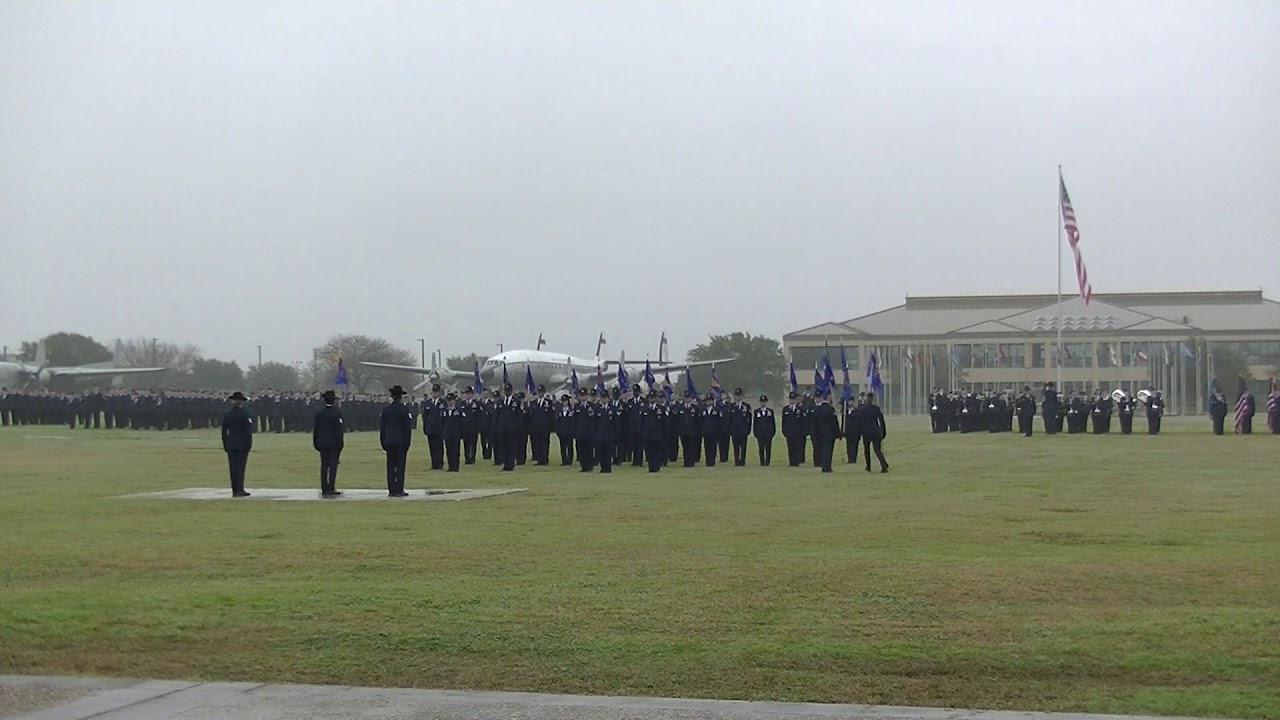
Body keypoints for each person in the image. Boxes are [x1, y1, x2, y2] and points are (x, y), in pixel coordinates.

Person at [379, 385, 413, 496]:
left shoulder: (386, 410)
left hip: (389, 440)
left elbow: (382, 427)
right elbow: (407, 428)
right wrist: (407, 442)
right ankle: (399, 488)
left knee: (390, 465)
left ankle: (391, 489)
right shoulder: (404, 410)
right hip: (400, 441)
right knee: (399, 466)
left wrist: (383, 441)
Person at [221, 391, 254, 497]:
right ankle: (239, 489)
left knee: (232, 467)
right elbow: (248, 432)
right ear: (241, 402)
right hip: (242, 444)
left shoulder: (227, 414)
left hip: (231, 444)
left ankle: (235, 489)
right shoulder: (245, 414)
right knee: (240, 467)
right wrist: (249, 445)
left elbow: (224, 431)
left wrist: (225, 444)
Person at [312, 390, 344, 497]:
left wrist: (316, 442)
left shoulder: (319, 413)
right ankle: (331, 487)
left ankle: (324, 487)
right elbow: (339, 430)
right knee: (333, 466)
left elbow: (316, 430)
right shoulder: (337, 413)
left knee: (324, 465)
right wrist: (340, 443)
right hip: (334, 443)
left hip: (322, 443)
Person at [858, 392, 889, 473]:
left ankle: (868, 466)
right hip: (875, 431)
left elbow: (859, 421)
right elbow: (881, 421)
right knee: (877, 450)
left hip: (866, 432)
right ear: (872, 399)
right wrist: (883, 432)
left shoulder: (862, 409)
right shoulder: (876, 409)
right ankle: (883, 466)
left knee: (866, 450)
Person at [809, 391, 839, 473]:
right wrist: (838, 433)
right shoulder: (830, 409)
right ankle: (827, 467)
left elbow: (814, 423)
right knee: (828, 450)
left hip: (819, 433)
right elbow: (834, 422)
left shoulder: (817, 409)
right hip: (829, 433)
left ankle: (822, 464)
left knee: (822, 449)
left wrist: (814, 433)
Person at [782, 392, 807, 466]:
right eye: (790, 399)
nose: (792, 401)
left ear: (796, 400)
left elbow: (803, 422)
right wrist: (784, 431)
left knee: (797, 447)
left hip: (798, 432)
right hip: (789, 432)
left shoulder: (800, 409)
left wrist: (803, 432)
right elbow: (784, 421)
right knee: (790, 447)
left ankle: (796, 461)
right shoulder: (785, 409)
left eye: (793, 399)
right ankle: (791, 462)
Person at [728, 388, 752, 466]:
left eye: (739, 395)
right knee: (735, 447)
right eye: (736, 395)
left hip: (743, 430)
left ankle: (742, 461)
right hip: (734, 430)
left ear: (742, 396)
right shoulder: (731, 406)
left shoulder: (746, 406)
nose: (738, 397)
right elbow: (729, 419)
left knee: (743, 447)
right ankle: (736, 461)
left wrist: (748, 430)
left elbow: (749, 419)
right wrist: (730, 430)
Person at [752, 395, 776, 466]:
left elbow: (772, 423)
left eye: (764, 402)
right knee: (761, 448)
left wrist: (772, 432)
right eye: (761, 402)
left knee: (768, 448)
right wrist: (755, 432)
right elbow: (755, 423)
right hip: (760, 433)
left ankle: (767, 462)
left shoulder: (770, 411)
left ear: (766, 402)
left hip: (768, 433)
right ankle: (762, 462)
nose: (763, 403)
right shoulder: (756, 412)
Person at [442, 393, 463, 471]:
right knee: (449, 451)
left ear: (454, 401)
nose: (449, 402)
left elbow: (461, 423)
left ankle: (455, 466)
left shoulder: (458, 410)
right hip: (447, 434)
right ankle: (450, 466)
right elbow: (442, 423)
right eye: (448, 400)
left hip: (456, 434)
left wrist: (460, 433)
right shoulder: (444, 410)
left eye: (451, 400)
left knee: (456, 451)